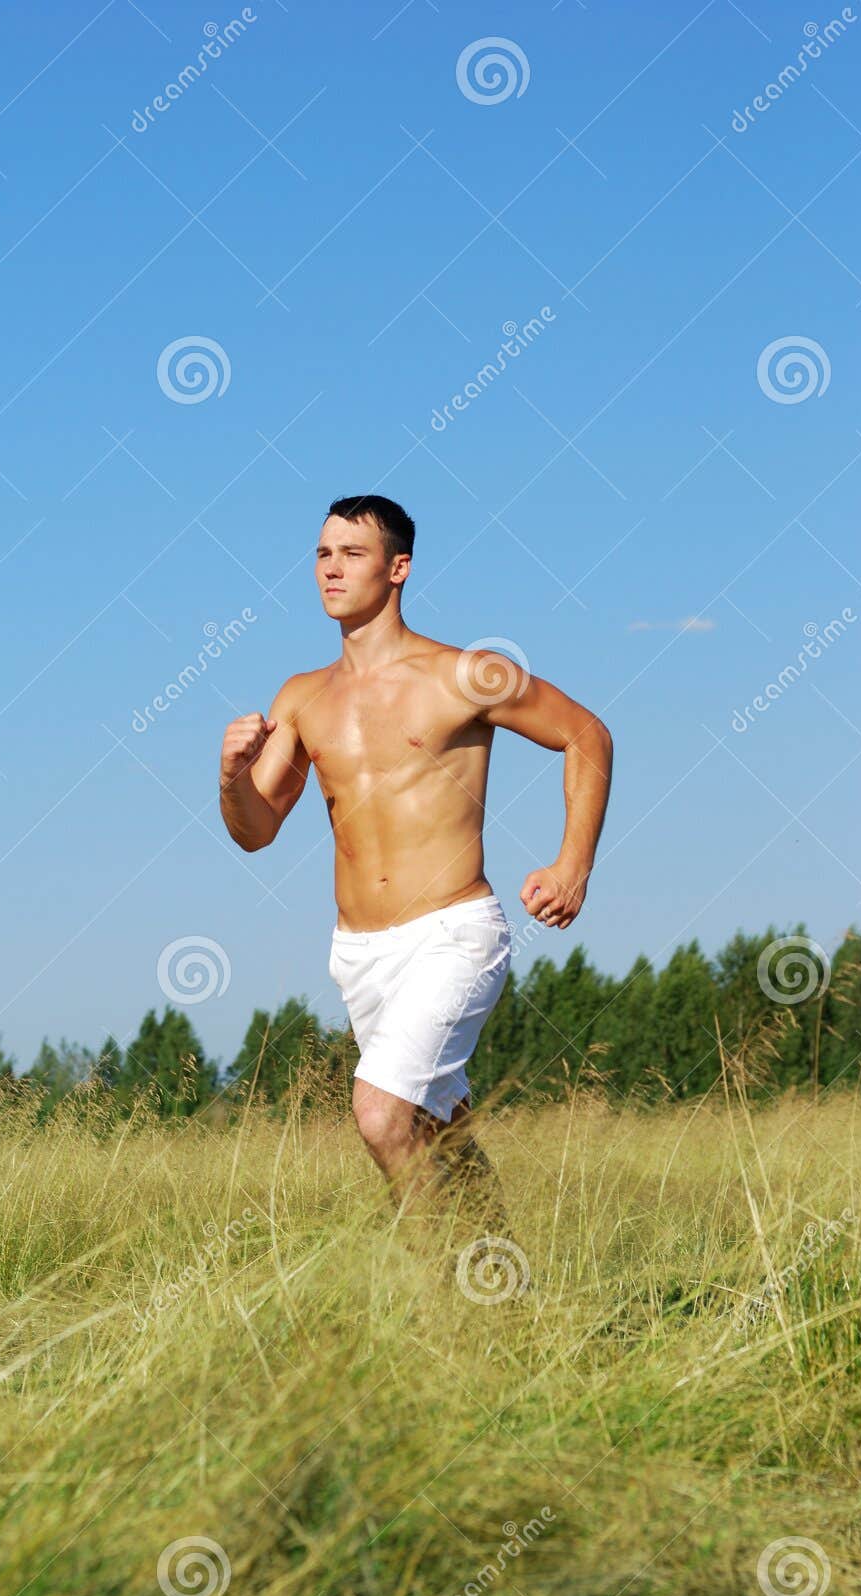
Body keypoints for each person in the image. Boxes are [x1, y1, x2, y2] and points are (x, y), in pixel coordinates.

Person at [219, 494, 613, 1254]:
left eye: (352, 554)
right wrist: (232, 776)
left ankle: (449, 1310)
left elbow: (584, 734)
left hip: (451, 933)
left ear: (397, 569)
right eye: (322, 553)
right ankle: (507, 1290)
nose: (331, 568)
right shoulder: (302, 697)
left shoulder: (462, 674)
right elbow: (255, 832)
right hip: (358, 953)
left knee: (378, 1115)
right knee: (438, 1132)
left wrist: (573, 865)